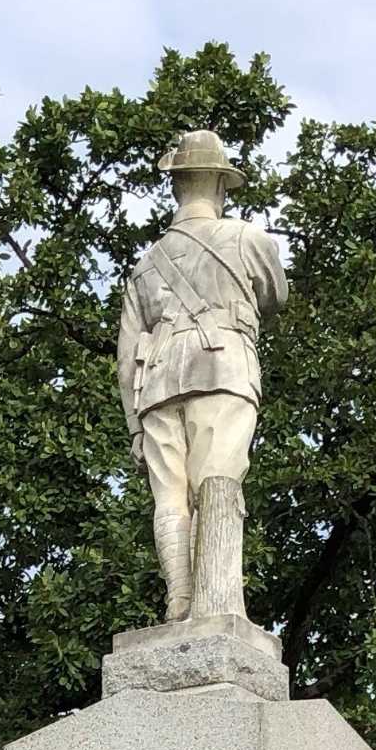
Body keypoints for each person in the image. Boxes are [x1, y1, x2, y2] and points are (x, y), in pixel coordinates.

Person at [117, 129, 290, 622]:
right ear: (219, 184)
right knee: (217, 482)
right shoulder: (249, 239)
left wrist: (134, 424)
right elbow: (275, 297)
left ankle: (180, 600)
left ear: (176, 186)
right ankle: (217, 608)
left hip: (155, 386)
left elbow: (127, 352)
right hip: (223, 368)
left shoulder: (145, 265)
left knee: (169, 495)